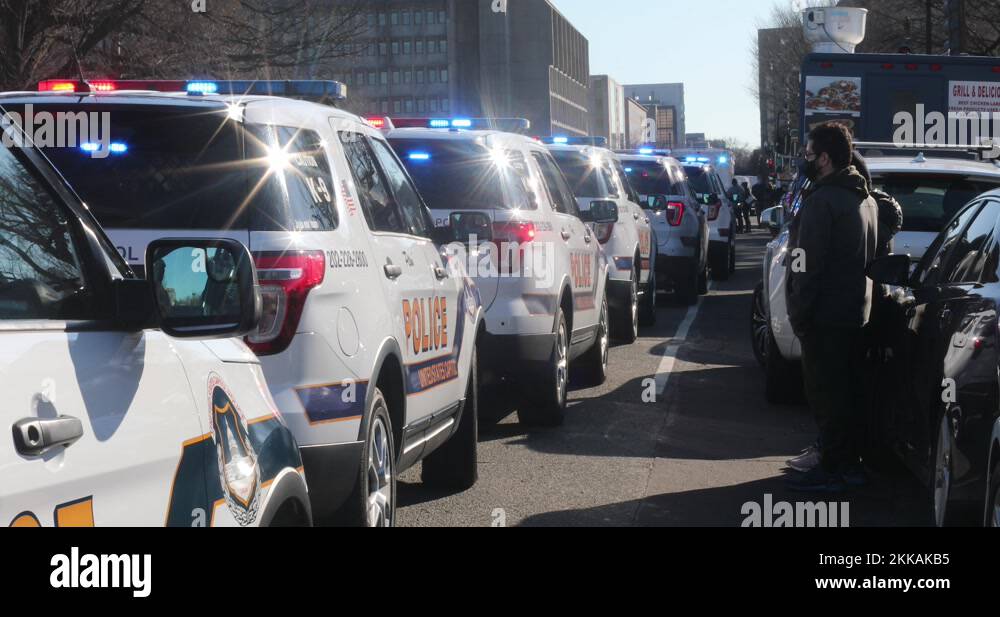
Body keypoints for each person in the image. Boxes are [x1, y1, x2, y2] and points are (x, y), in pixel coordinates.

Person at [784, 122, 879, 493]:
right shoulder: (865, 198)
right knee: (848, 392)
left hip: (824, 315)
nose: (805, 160)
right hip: (855, 312)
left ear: (824, 158)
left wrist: (799, 310)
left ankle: (834, 468)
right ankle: (847, 464)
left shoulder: (822, 201)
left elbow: (805, 264)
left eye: (809, 154)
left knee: (827, 394)